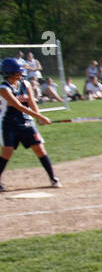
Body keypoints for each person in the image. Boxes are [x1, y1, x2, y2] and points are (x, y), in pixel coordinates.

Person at [0, 57, 59, 190]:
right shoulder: (4, 89)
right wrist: (41, 116)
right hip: (8, 125)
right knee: (7, 152)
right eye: (17, 72)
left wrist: (38, 117)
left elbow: (31, 102)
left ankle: (53, 178)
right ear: (8, 73)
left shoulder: (25, 84)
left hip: (26, 122)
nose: (20, 74)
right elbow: (18, 106)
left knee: (39, 148)